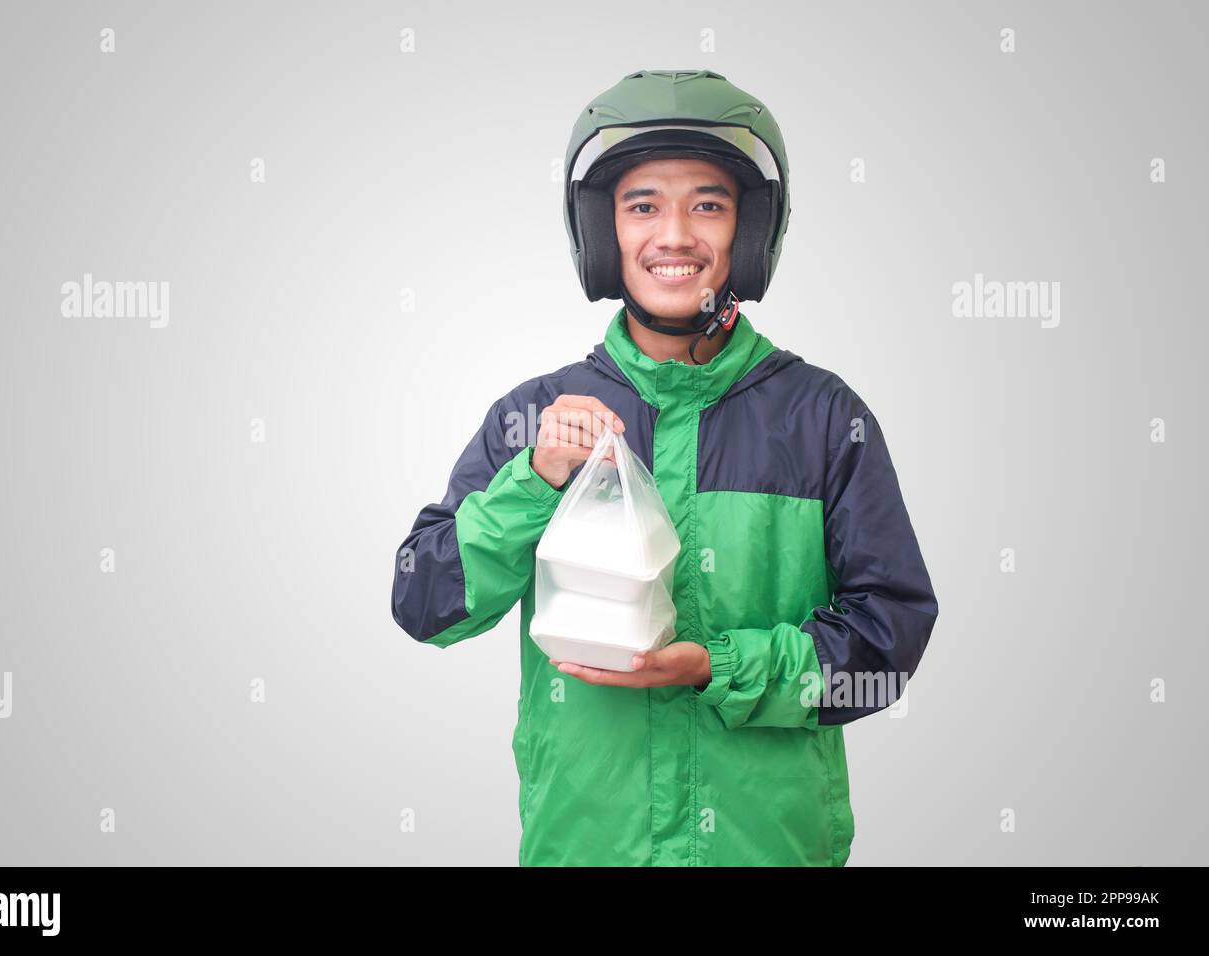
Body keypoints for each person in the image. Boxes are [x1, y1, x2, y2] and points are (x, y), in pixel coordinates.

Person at [391, 69, 938, 866]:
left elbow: (887, 645)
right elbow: (423, 602)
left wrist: (720, 667)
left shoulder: (824, 419)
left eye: (708, 204)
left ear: (750, 232)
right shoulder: (537, 416)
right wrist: (535, 481)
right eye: (642, 204)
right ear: (602, 231)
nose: (674, 235)